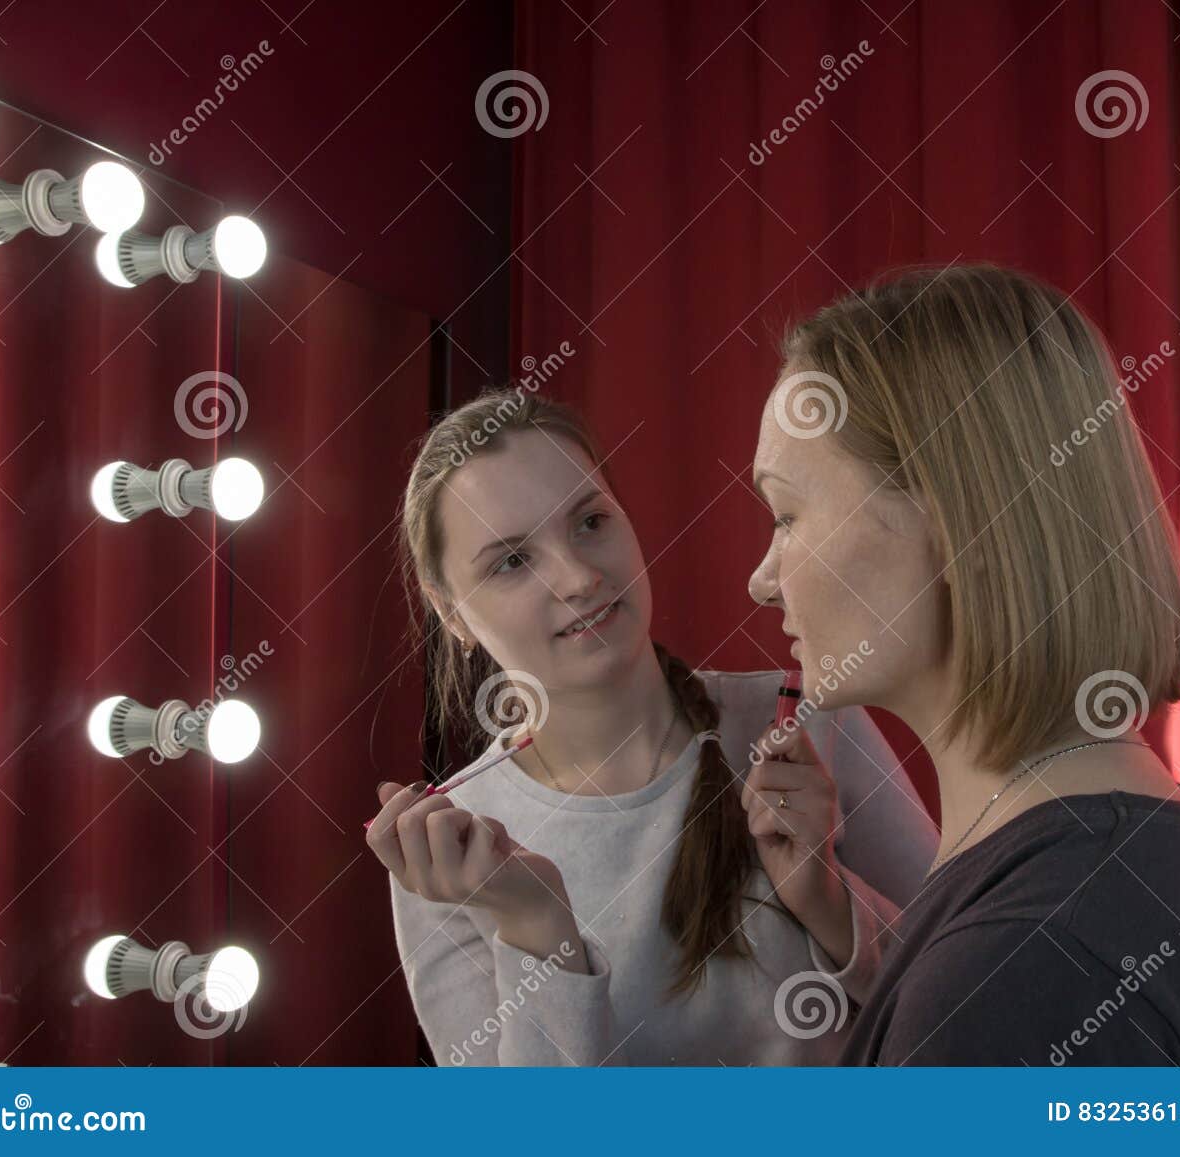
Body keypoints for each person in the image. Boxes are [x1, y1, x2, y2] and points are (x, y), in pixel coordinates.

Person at [746, 263, 1180, 1065]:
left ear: (948, 512)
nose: (761, 579)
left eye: (787, 514)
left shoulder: (1022, 973)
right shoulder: (1113, 846)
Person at [365, 389, 938, 1064]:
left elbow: (978, 996)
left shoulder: (813, 720)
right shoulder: (450, 853)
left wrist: (830, 902)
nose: (578, 577)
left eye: (590, 522)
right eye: (513, 561)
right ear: (451, 614)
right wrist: (538, 932)